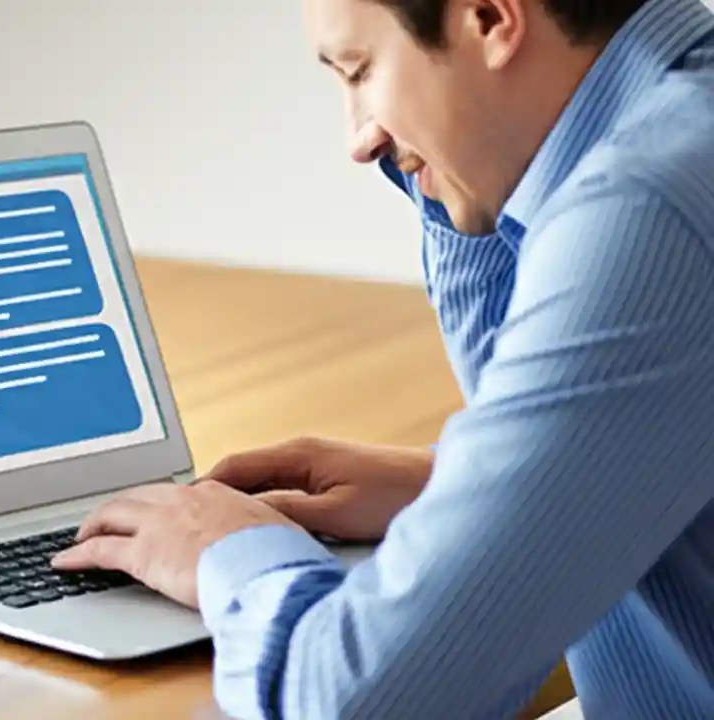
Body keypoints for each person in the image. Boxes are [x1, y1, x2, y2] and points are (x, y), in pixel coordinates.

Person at [51, 0, 714, 716]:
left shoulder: (648, 215)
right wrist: (451, 488)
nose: (359, 138)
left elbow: (361, 700)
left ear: (491, 18)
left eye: (360, 71)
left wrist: (227, 553)